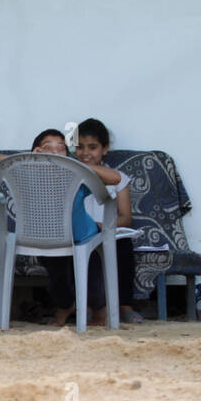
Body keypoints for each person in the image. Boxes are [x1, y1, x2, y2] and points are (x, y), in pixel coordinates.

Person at [0, 129, 125, 326]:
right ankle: (65, 307)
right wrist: (27, 160)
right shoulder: (25, 175)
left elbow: (115, 178)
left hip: (84, 236)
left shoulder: (76, 176)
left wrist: (79, 166)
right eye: (48, 148)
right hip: (45, 237)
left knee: (93, 282)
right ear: (36, 152)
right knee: (58, 281)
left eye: (61, 149)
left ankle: (99, 312)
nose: (55, 153)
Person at [73, 118, 142, 324]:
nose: (86, 153)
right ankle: (87, 307)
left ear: (105, 149)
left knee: (123, 247)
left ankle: (124, 305)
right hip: (81, 234)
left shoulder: (117, 178)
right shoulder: (68, 176)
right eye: (80, 147)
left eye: (92, 147)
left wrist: (104, 226)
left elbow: (126, 217)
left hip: (107, 232)